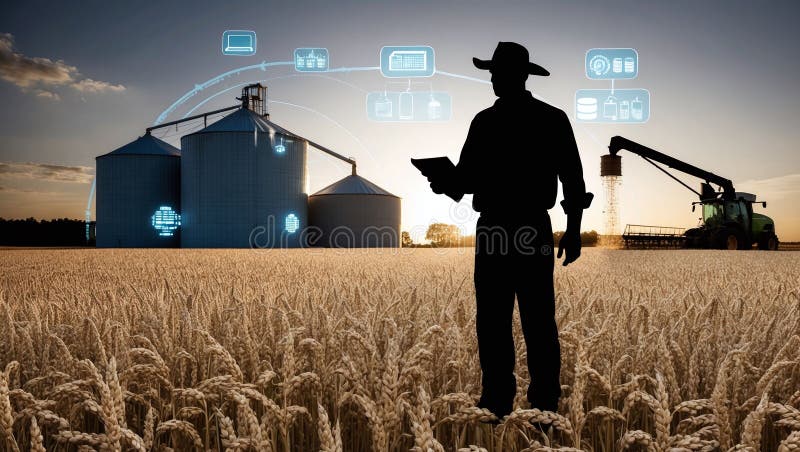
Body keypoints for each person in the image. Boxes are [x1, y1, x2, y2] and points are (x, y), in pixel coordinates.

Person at [427, 42, 592, 419]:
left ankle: (504, 404)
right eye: (490, 72)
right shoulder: (549, 118)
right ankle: (535, 407)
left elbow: (572, 180)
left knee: (501, 319)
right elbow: (572, 180)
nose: (491, 79)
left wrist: (443, 180)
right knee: (527, 319)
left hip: (498, 229)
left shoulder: (488, 121)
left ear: (516, 75)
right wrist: (444, 181)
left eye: (496, 72)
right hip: (528, 228)